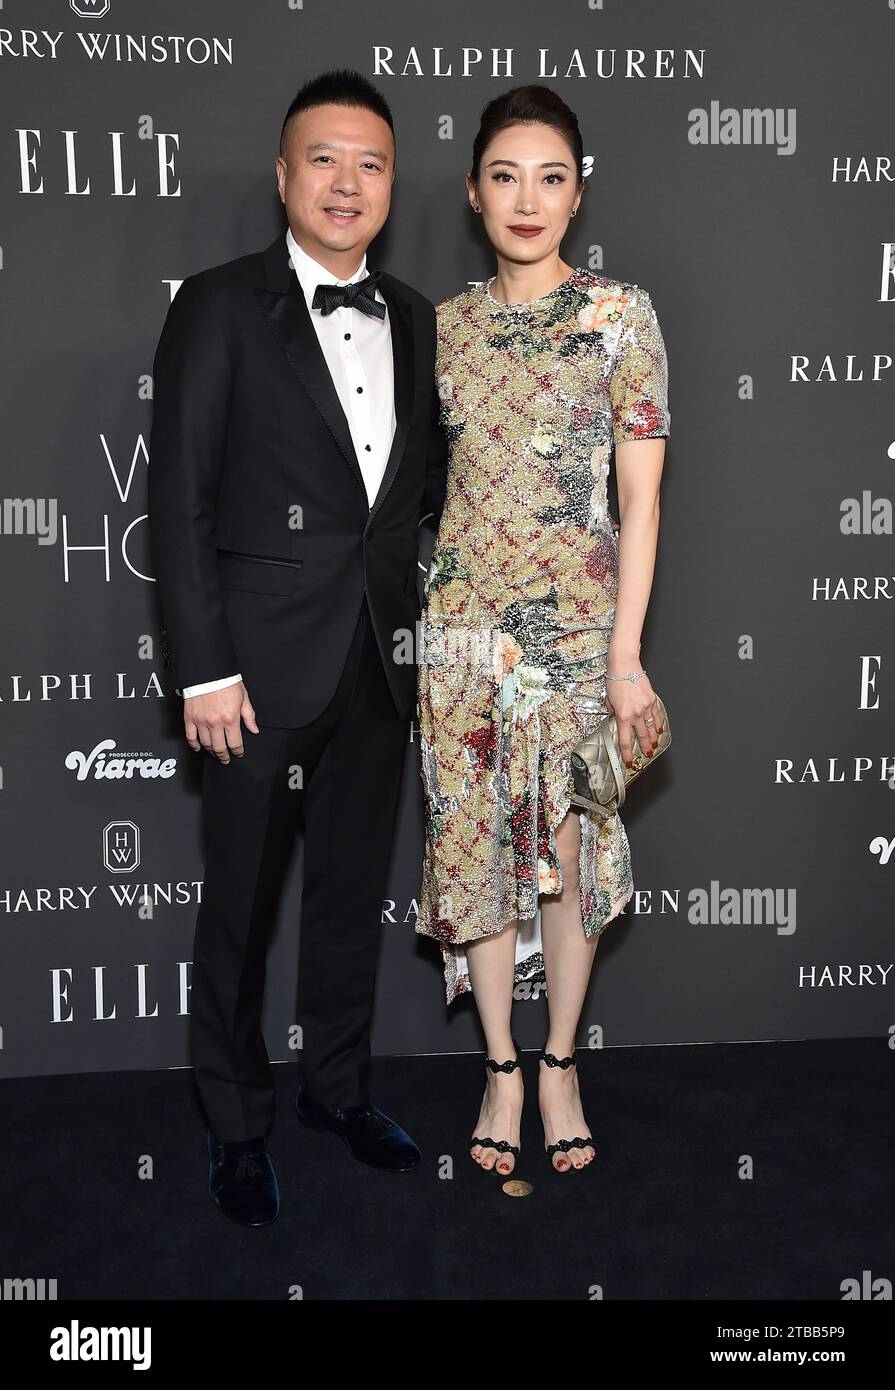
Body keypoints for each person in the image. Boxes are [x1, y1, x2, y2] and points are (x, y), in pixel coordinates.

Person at [147, 69, 447, 1226]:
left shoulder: (417, 317)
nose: (347, 182)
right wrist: (203, 665)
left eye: (370, 163)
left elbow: (417, 501)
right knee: (237, 904)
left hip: (379, 662)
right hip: (254, 674)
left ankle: (338, 1089)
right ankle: (233, 1121)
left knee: (345, 898)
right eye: (324, 158)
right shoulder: (219, 307)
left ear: (389, 187)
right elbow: (179, 501)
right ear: (283, 175)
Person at [416, 85, 670, 1176]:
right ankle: (500, 1068)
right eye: (506, 176)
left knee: (564, 857)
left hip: (576, 634)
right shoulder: (440, 328)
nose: (528, 199)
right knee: (473, 855)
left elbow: (642, 502)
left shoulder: (623, 317)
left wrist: (623, 659)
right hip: (465, 635)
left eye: (551, 176)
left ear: (578, 190)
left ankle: (561, 1060)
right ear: (475, 194)